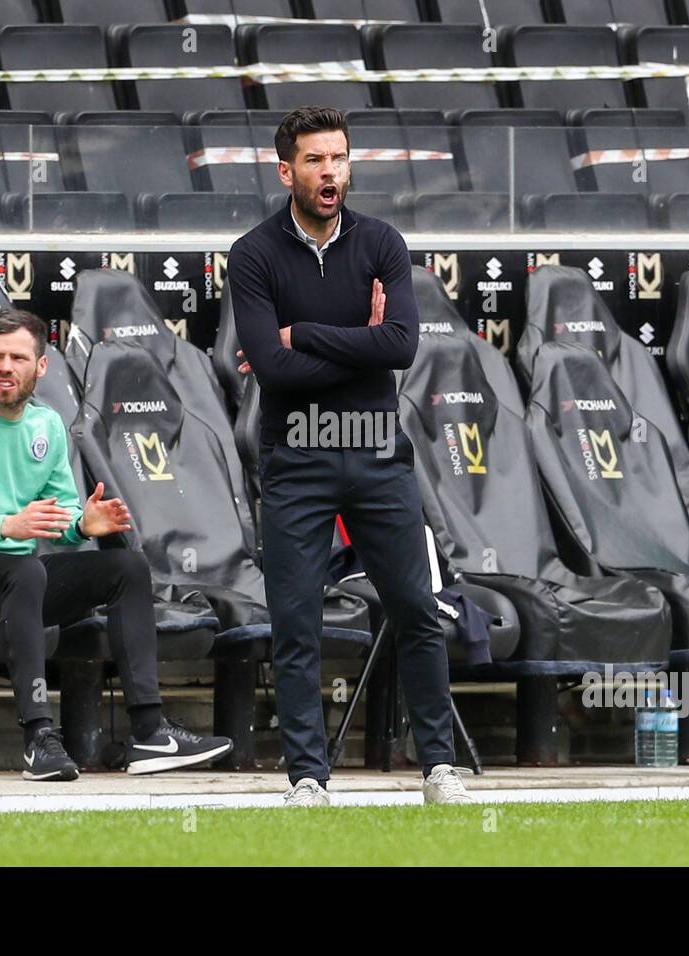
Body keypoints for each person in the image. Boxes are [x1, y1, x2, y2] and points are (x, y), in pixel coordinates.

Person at [227, 106, 470, 806]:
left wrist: (303, 332)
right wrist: (350, 346)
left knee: (416, 609)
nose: (329, 170)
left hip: (377, 456)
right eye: (314, 159)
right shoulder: (253, 254)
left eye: (337, 157)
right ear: (286, 171)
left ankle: (437, 770)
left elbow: (398, 348)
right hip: (297, 460)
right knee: (296, 623)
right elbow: (272, 371)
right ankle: (308, 778)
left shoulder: (383, 243)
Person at [0, 308, 230, 781]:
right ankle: (38, 737)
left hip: (14, 576)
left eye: (17, 357)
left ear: (41, 367)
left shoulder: (47, 426)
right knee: (25, 570)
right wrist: (4, 526)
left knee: (127, 569)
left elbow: (56, 517)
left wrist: (83, 524)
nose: (5, 368)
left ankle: (150, 733)